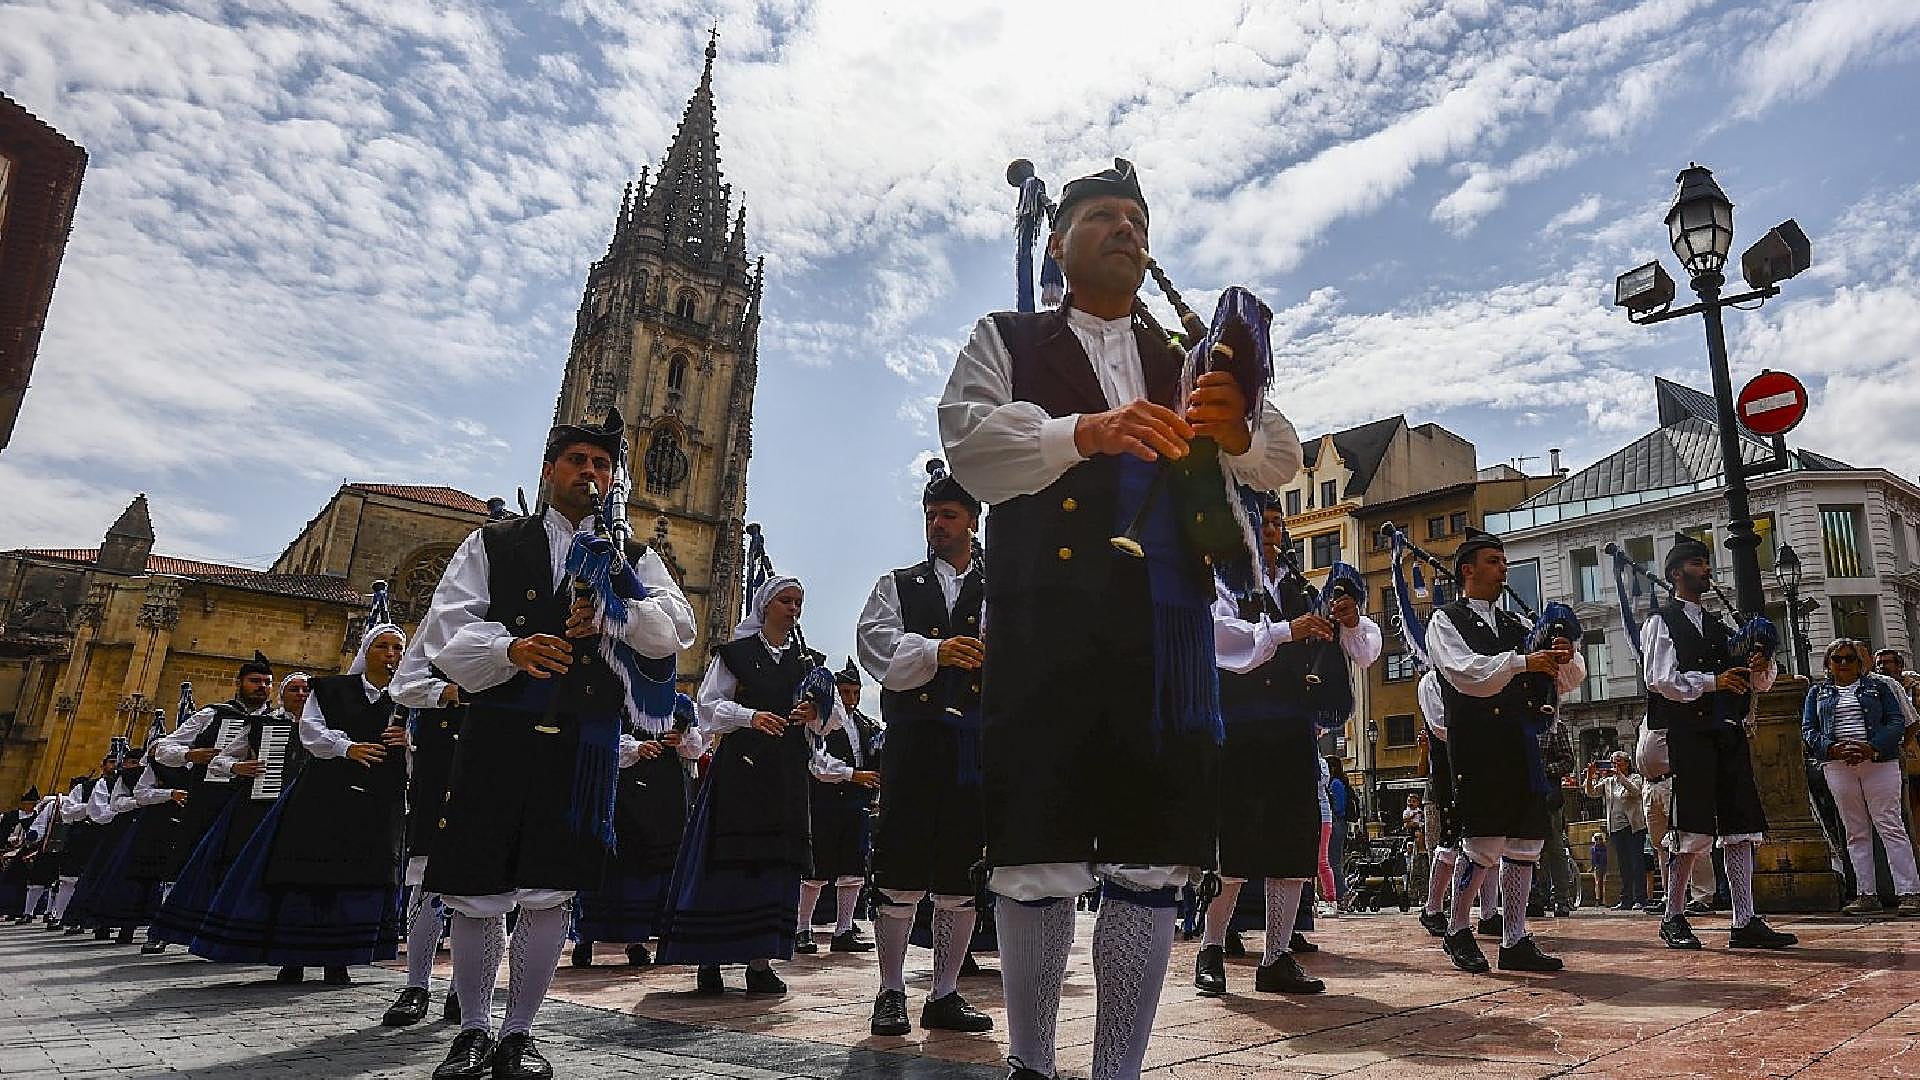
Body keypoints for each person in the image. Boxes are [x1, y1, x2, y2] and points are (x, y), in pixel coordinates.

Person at [939, 158, 1301, 1080]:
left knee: (1148, 864)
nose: (1126, 230)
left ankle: (1117, 1074)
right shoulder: (1006, 337)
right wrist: (1085, 433)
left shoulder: (1186, 362)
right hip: (1046, 631)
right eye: (1103, 216)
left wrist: (1233, 431)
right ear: (1058, 242)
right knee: (1040, 858)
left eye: (1137, 220)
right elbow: (971, 448)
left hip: (1161, 639)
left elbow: (1279, 460)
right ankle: (1031, 1063)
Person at [410, 406, 696, 1080]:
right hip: (499, 730)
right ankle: (473, 1029)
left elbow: (674, 628)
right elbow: (445, 632)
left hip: (582, 740)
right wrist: (512, 647)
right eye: (578, 462)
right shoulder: (492, 543)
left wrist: (612, 613)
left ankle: (519, 1033)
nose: (590, 473)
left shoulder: (634, 556)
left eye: (601, 464)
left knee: (548, 890)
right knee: (479, 889)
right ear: (549, 471)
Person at [1197, 501, 1379, 997]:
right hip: (1240, 729)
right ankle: (1211, 947)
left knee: (1291, 844)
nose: (1273, 531)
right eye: (1263, 523)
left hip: (1294, 733)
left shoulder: (1302, 590)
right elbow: (1221, 641)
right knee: (1232, 846)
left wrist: (1349, 620)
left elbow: (1363, 652)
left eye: (1278, 524)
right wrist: (1286, 630)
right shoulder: (1222, 582)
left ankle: (1277, 957)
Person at [186, 624, 411, 984]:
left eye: (398, 648)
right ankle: (292, 957)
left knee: (357, 874)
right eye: (383, 646)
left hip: (377, 800)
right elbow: (311, 732)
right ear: (365, 651)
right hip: (325, 794)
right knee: (306, 870)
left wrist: (409, 738)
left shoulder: (408, 698)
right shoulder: (331, 688)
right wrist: (346, 748)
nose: (391, 655)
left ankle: (340, 958)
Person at [856, 459, 992, 1037]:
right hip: (914, 739)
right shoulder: (899, 583)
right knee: (902, 864)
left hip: (973, 745)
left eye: (949, 516)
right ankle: (890, 991)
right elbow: (875, 648)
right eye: (931, 515)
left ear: (973, 520)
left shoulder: (999, 588)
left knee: (961, 873)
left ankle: (944, 992)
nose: (937, 525)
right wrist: (937, 653)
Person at [656, 576, 838, 995]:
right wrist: (749, 717)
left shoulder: (807, 663)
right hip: (740, 772)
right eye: (786, 601)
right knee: (728, 862)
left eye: (799, 602)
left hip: (785, 776)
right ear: (765, 606)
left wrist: (814, 712)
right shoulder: (735, 655)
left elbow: (831, 723)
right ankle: (710, 959)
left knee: (775, 866)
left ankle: (760, 962)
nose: (794, 609)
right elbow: (708, 705)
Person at [1427, 527, 1585, 975]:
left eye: (1504, 563)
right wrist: (1522, 662)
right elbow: (1466, 673)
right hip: (1477, 743)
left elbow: (1566, 681)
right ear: (1468, 569)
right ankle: (1458, 927)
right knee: (1482, 841)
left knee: (1527, 841)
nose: (1503, 570)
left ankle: (1515, 937)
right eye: (1494, 562)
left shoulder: (1517, 626)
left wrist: (1563, 656)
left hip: (1520, 741)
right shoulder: (1446, 620)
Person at [1641, 533, 1793, 951]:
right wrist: (1712, 682)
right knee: (1689, 826)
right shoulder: (1661, 622)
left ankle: (1744, 919)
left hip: (1728, 733)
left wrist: (1760, 663)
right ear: (1676, 573)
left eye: (1707, 563)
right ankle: (1673, 916)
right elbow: (1659, 679)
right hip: (1689, 735)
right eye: (1697, 563)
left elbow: (1755, 682)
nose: (1706, 569)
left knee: (1740, 826)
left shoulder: (1720, 627)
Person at [148, 655, 281, 947]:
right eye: (255, 682)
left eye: (266, 683)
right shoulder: (213, 714)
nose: (261, 688)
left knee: (235, 864)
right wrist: (189, 755)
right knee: (187, 858)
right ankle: (165, 929)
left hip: (251, 801)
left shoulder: (277, 721)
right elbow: (161, 747)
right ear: (240, 683)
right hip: (209, 796)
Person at [571, 692, 708, 969]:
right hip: (619, 788)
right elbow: (599, 737)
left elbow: (697, 746)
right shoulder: (614, 697)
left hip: (663, 791)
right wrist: (636, 747)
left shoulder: (678, 703)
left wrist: (680, 739)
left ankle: (637, 940)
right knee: (613, 860)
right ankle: (586, 938)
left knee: (653, 863)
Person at [1802, 638, 1920, 916]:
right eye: (1837, 659)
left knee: (1890, 824)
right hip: (1838, 764)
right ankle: (1867, 893)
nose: (1843, 664)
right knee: (1854, 830)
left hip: (1878, 762)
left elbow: (1896, 721)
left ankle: (1910, 891)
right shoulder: (1817, 693)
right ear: (1828, 664)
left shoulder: (1879, 688)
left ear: (1859, 663)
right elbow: (1809, 729)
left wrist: (1872, 747)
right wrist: (1832, 748)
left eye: (1849, 658)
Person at [384, 653, 464, 1026]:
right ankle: (417, 985)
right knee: (425, 880)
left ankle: (462, 991)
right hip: (433, 779)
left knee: (482, 889)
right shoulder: (434, 653)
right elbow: (403, 685)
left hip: (488, 775)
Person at [796, 660, 878, 959]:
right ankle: (802, 928)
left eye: (856, 693)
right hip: (826, 801)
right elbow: (817, 763)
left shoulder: (865, 725)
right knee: (818, 867)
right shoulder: (822, 723)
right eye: (845, 692)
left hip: (856, 804)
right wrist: (854, 775)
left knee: (853, 867)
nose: (852, 700)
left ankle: (844, 929)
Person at [1417, 671, 1459, 938]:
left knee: (1487, 842)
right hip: (1442, 784)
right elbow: (1423, 769)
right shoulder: (1431, 683)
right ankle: (1434, 908)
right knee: (1447, 844)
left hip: (1466, 771)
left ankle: (1488, 911)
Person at [1581, 752, 1648, 910]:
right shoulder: (1608, 782)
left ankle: (1640, 898)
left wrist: (1620, 777)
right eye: (1613, 762)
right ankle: (1626, 899)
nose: (1615, 765)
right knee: (1623, 865)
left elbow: (1636, 791)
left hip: (1633, 828)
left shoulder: (1635, 778)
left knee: (1636, 863)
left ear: (1627, 763)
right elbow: (1591, 792)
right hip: (1616, 828)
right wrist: (1590, 777)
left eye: (1619, 762)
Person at [1529, 721, 1577, 918]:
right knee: (1527, 850)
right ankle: (1533, 898)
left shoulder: (1555, 726)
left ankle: (1561, 899)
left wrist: (1544, 770)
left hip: (1548, 797)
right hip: (1524, 798)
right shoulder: (1519, 724)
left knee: (1555, 848)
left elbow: (1568, 761)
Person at [1589, 833, 1609, 907]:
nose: (1598, 841)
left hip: (1605, 866)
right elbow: (1593, 859)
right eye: (1596, 839)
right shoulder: (1593, 849)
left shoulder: (1606, 848)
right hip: (1597, 867)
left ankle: (1604, 900)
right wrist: (1593, 867)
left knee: (1604, 883)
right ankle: (1597, 899)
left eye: (1600, 839)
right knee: (1597, 883)